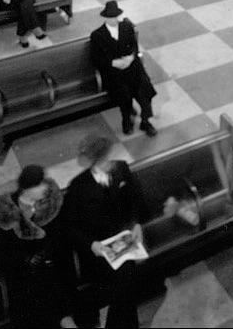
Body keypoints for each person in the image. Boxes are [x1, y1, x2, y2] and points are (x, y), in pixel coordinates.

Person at [64, 134, 148, 329]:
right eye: (103, 160)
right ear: (94, 162)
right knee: (126, 283)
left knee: (126, 281)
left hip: (125, 240)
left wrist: (136, 224)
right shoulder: (78, 187)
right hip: (97, 252)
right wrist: (92, 245)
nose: (109, 162)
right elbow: (70, 227)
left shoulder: (121, 169)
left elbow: (135, 199)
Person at [0, 165, 78, 329]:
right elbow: (1, 254)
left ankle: (66, 321)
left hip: (55, 267)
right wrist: (27, 261)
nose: (45, 188)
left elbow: (63, 235)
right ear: (26, 189)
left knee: (57, 289)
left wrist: (48, 254)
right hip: (24, 275)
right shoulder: (8, 213)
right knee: (38, 296)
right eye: (39, 185)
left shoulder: (51, 204)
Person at [89, 1, 157, 137]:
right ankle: (126, 121)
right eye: (110, 17)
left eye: (115, 17)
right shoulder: (97, 35)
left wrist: (131, 58)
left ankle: (145, 121)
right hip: (114, 72)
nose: (113, 20)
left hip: (132, 68)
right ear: (105, 18)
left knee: (144, 92)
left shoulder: (127, 27)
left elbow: (134, 46)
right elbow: (95, 58)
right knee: (124, 95)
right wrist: (113, 63)